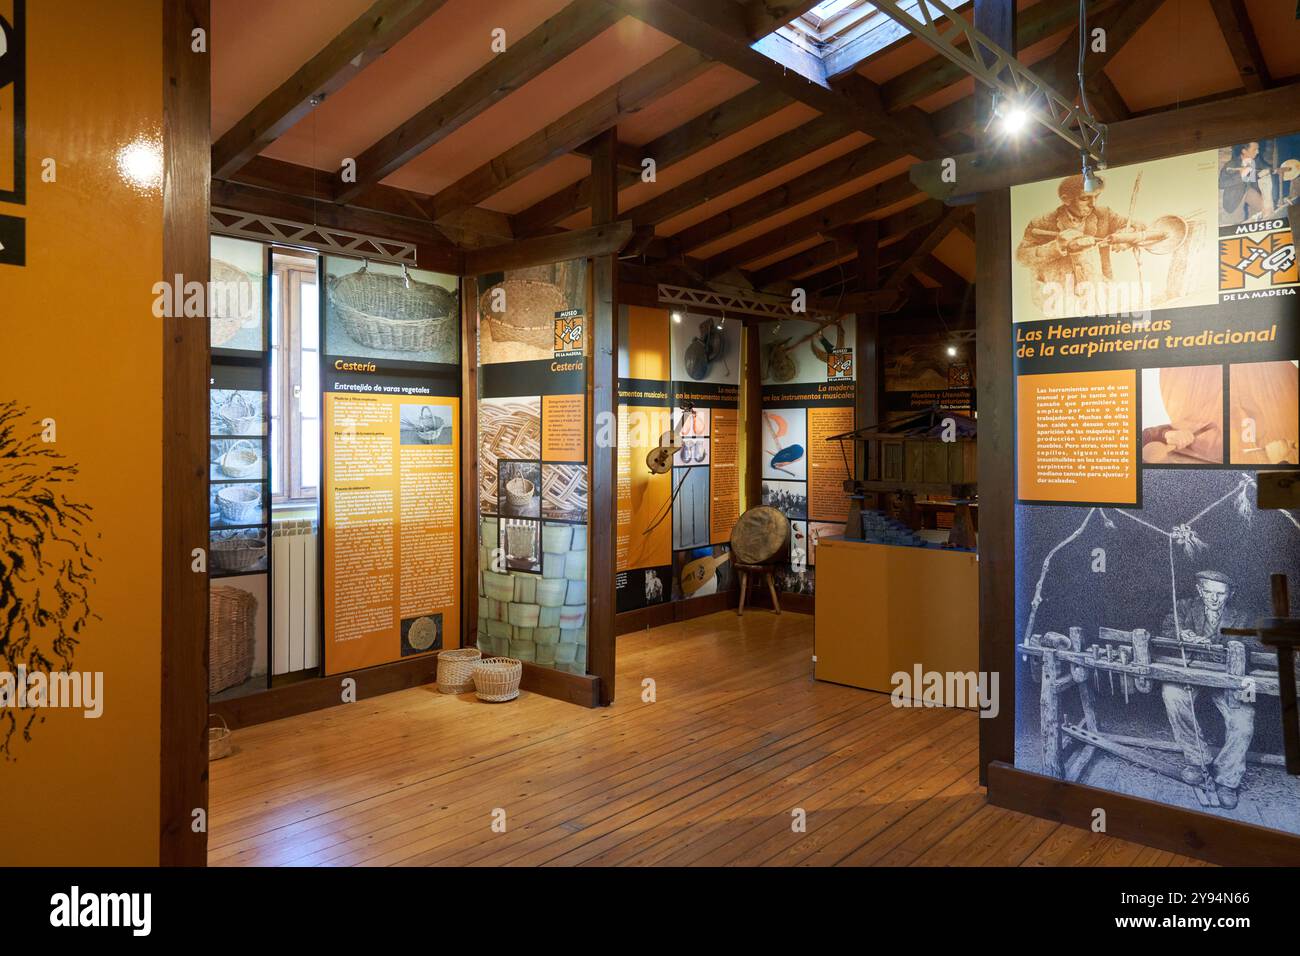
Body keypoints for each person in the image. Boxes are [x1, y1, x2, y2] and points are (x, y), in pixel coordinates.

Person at [1159, 570, 1255, 808]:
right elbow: (1167, 629)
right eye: (1208, 593)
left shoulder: (1242, 617)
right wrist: (1183, 635)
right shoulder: (1183, 607)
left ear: (1230, 594)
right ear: (1199, 590)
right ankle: (1197, 762)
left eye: (1220, 594)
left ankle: (1227, 779)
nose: (1213, 599)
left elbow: (1255, 644)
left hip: (1227, 676)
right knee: (1172, 693)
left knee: (1243, 720)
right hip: (1191, 671)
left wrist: (1225, 644)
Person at [1015, 174, 1147, 318]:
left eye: (1096, 196)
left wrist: (1125, 236)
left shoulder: (1103, 214)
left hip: (1097, 295)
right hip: (1058, 298)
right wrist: (1057, 246)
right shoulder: (1042, 222)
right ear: (1066, 199)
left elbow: (1139, 225)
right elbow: (1021, 257)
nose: (1093, 204)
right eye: (1085, 198)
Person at [1220, 141, 1274, 223]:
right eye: (1255, 149)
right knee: (1238, 222)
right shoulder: (1231, 164)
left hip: (1249, 191)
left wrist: (1267, 171)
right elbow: (1221, 183)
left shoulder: (1254, 161)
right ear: (1244, 151)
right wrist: (1240, 175)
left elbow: (1264, 168)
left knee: (1266, 211)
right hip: (1235, 196)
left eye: (1258, 149)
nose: (1258, 152)